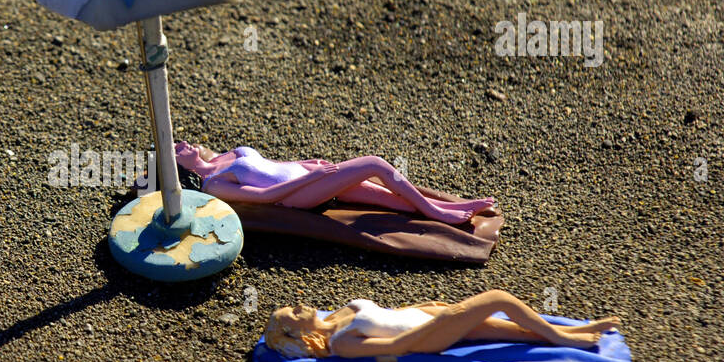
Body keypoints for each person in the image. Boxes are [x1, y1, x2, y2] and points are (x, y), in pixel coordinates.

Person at [174, 142, 495, 225]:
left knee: (383, 197)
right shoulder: (213, 185)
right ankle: (437, 213)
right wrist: (313, 178)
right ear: (179, 170)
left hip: (306, 177)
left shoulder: (223, 157)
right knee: (375, 164)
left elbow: (272, 166)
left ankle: (451, 209)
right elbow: (264, 196)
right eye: (177, 150)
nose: (184, 144)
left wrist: (307, 164)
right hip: (297, 196)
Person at [264, 290, 621, 361]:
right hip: (428, 338)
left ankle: (572, 335)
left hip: (429, 318)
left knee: (516, 333)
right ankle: (564, 338)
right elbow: (394, 346)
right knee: (498, 298)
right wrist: (443, 323)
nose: (298, 306)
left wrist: (430, 309)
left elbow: (388, 313)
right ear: (300, 334)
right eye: (292, 315)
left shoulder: (335, 315)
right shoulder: (341, 344)